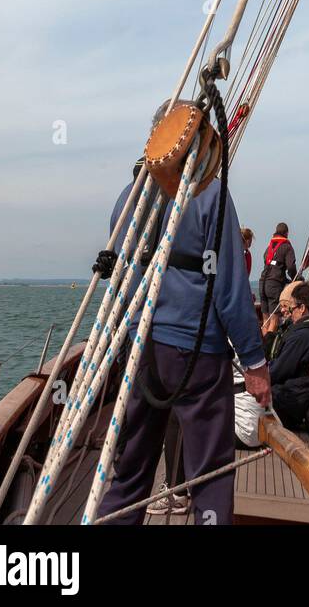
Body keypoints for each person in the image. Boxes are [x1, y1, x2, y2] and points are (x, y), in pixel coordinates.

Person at [96, 152, 271, 526]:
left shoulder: (129, 196)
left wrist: (130, 335)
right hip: (197, 355)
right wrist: (254, 361)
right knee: (211, 474)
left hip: (142, 349)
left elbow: (123, 273)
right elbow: (229, 287)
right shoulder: (211, 194)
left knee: (131, 468)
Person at [269, 281, 309, 429]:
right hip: (296, 404)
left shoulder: (302, 337)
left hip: (286, 407)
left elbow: (275, 373)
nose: (290, 312)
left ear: (302, 308)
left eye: (292, 308)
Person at [259, 222, 297, 317]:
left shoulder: (269, 248)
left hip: (262, 284)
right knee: (274, 320)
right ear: (286, 233)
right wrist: (296, 279)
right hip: (274, 285)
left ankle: (265, 332)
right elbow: (291, 267)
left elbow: (267, 261)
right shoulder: (287, 247)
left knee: (265, 320)